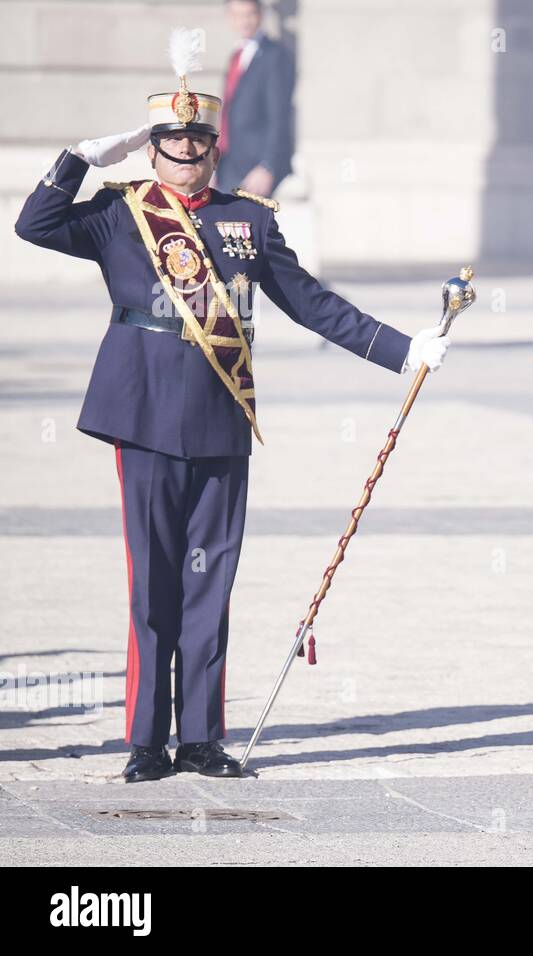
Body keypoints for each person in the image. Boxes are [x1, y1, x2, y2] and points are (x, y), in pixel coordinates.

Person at [13, 30, 449, 782]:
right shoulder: (120, 213)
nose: (186, 154)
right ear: (152, 151)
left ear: (215, 148)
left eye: (198, 143)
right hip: (141, 413)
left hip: (220, 415)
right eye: (171, 143)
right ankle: (147, 741)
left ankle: (203, 737)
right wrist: (80, 157)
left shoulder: (249, 220)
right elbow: (34, 225)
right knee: (152, 582)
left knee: (210, 581)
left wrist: (402, 348)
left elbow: (309, 303)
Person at [217, 0, 295, 196]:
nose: (244, 21)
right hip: (228, 164)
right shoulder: (236, 54)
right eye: (237, 15)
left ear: (260, 14)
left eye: (249, 14)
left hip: (256, 169)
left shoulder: (275, 54)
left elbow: (279, 115)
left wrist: (268, 165)